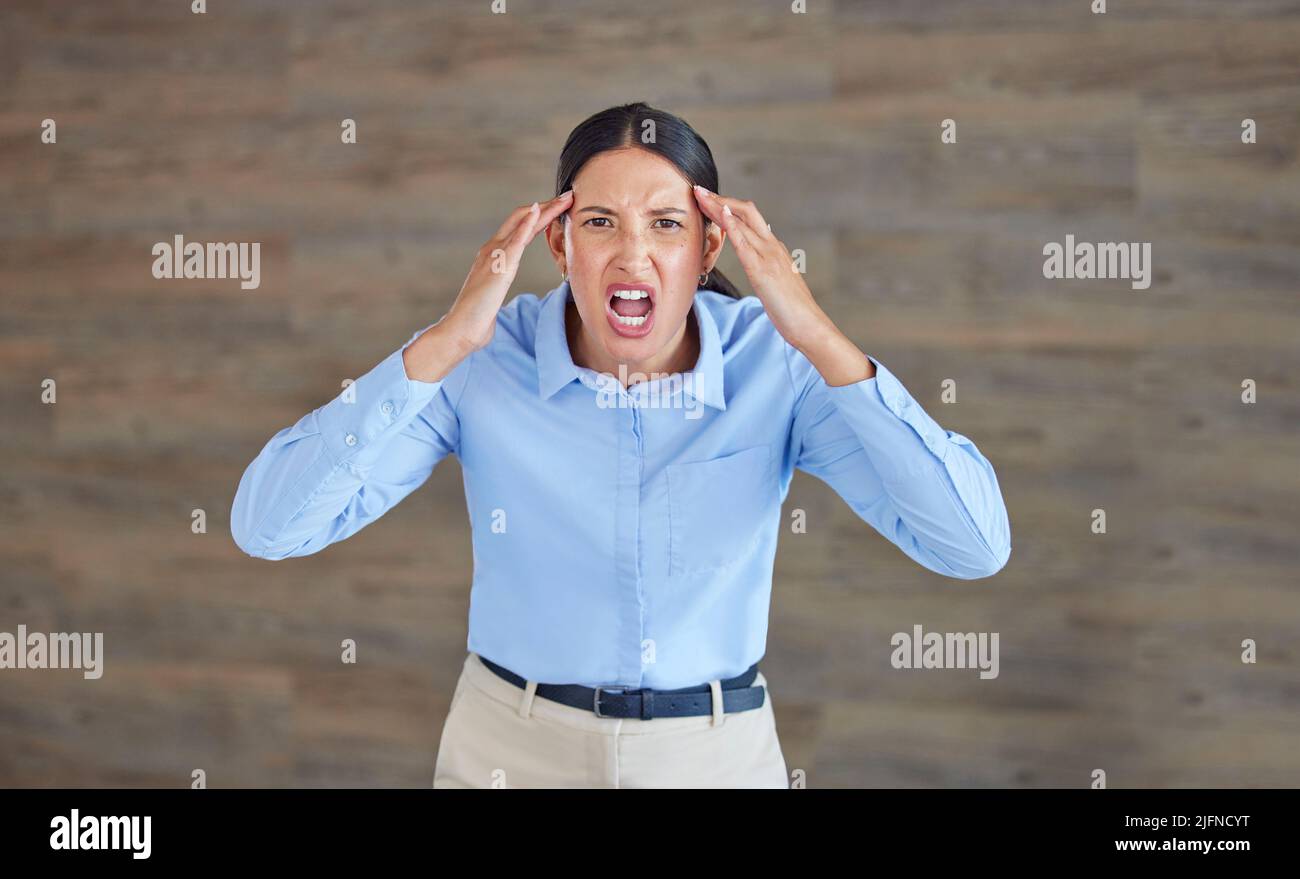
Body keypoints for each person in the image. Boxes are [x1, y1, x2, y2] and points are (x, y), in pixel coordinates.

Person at [230, 102, 1012, 789]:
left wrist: (816, 334)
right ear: (561, 245)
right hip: (512, 748)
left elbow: (972, 544)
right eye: (600, 222)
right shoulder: (479, 360)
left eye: (666, 224)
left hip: (714, 758)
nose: (632, 255)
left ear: (709, 250)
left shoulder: (778, 363)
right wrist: (440, 344)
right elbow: (269, 527)